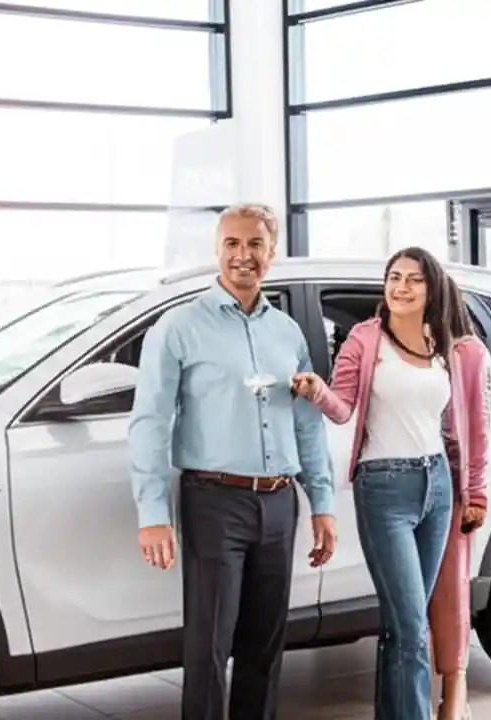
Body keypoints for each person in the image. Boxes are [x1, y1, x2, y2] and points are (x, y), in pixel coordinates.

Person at [128, 203, 337, 720]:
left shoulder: (287, 333)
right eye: (232, 244)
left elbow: (307, 421)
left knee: (265, 650)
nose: (243, 255)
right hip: (214, 501)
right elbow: (149, 421)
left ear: (272, 252)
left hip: (279, 503)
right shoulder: (179, 328)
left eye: (255, 245)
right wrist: (153, 513)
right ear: (218, 249)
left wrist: (322, 502)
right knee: (208, 648)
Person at [291, 248, 491, 720]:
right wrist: (316, 390)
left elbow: (467, 426)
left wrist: (474, 491)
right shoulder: (365, 339)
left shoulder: (445, 345)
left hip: (437, 485)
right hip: (385, 490)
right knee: (407, 624)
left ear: (431, 288)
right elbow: (342, 406)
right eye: (394, 277)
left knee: (407, 625)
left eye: (413, 279)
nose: (401, 287)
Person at [429, 274, 491, 720]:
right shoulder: (395, 350)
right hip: (400, 487)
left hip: (450, 488)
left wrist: (476, 494)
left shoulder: (468, 353)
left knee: (451, 593)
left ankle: (455, 693)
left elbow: (479, 427)